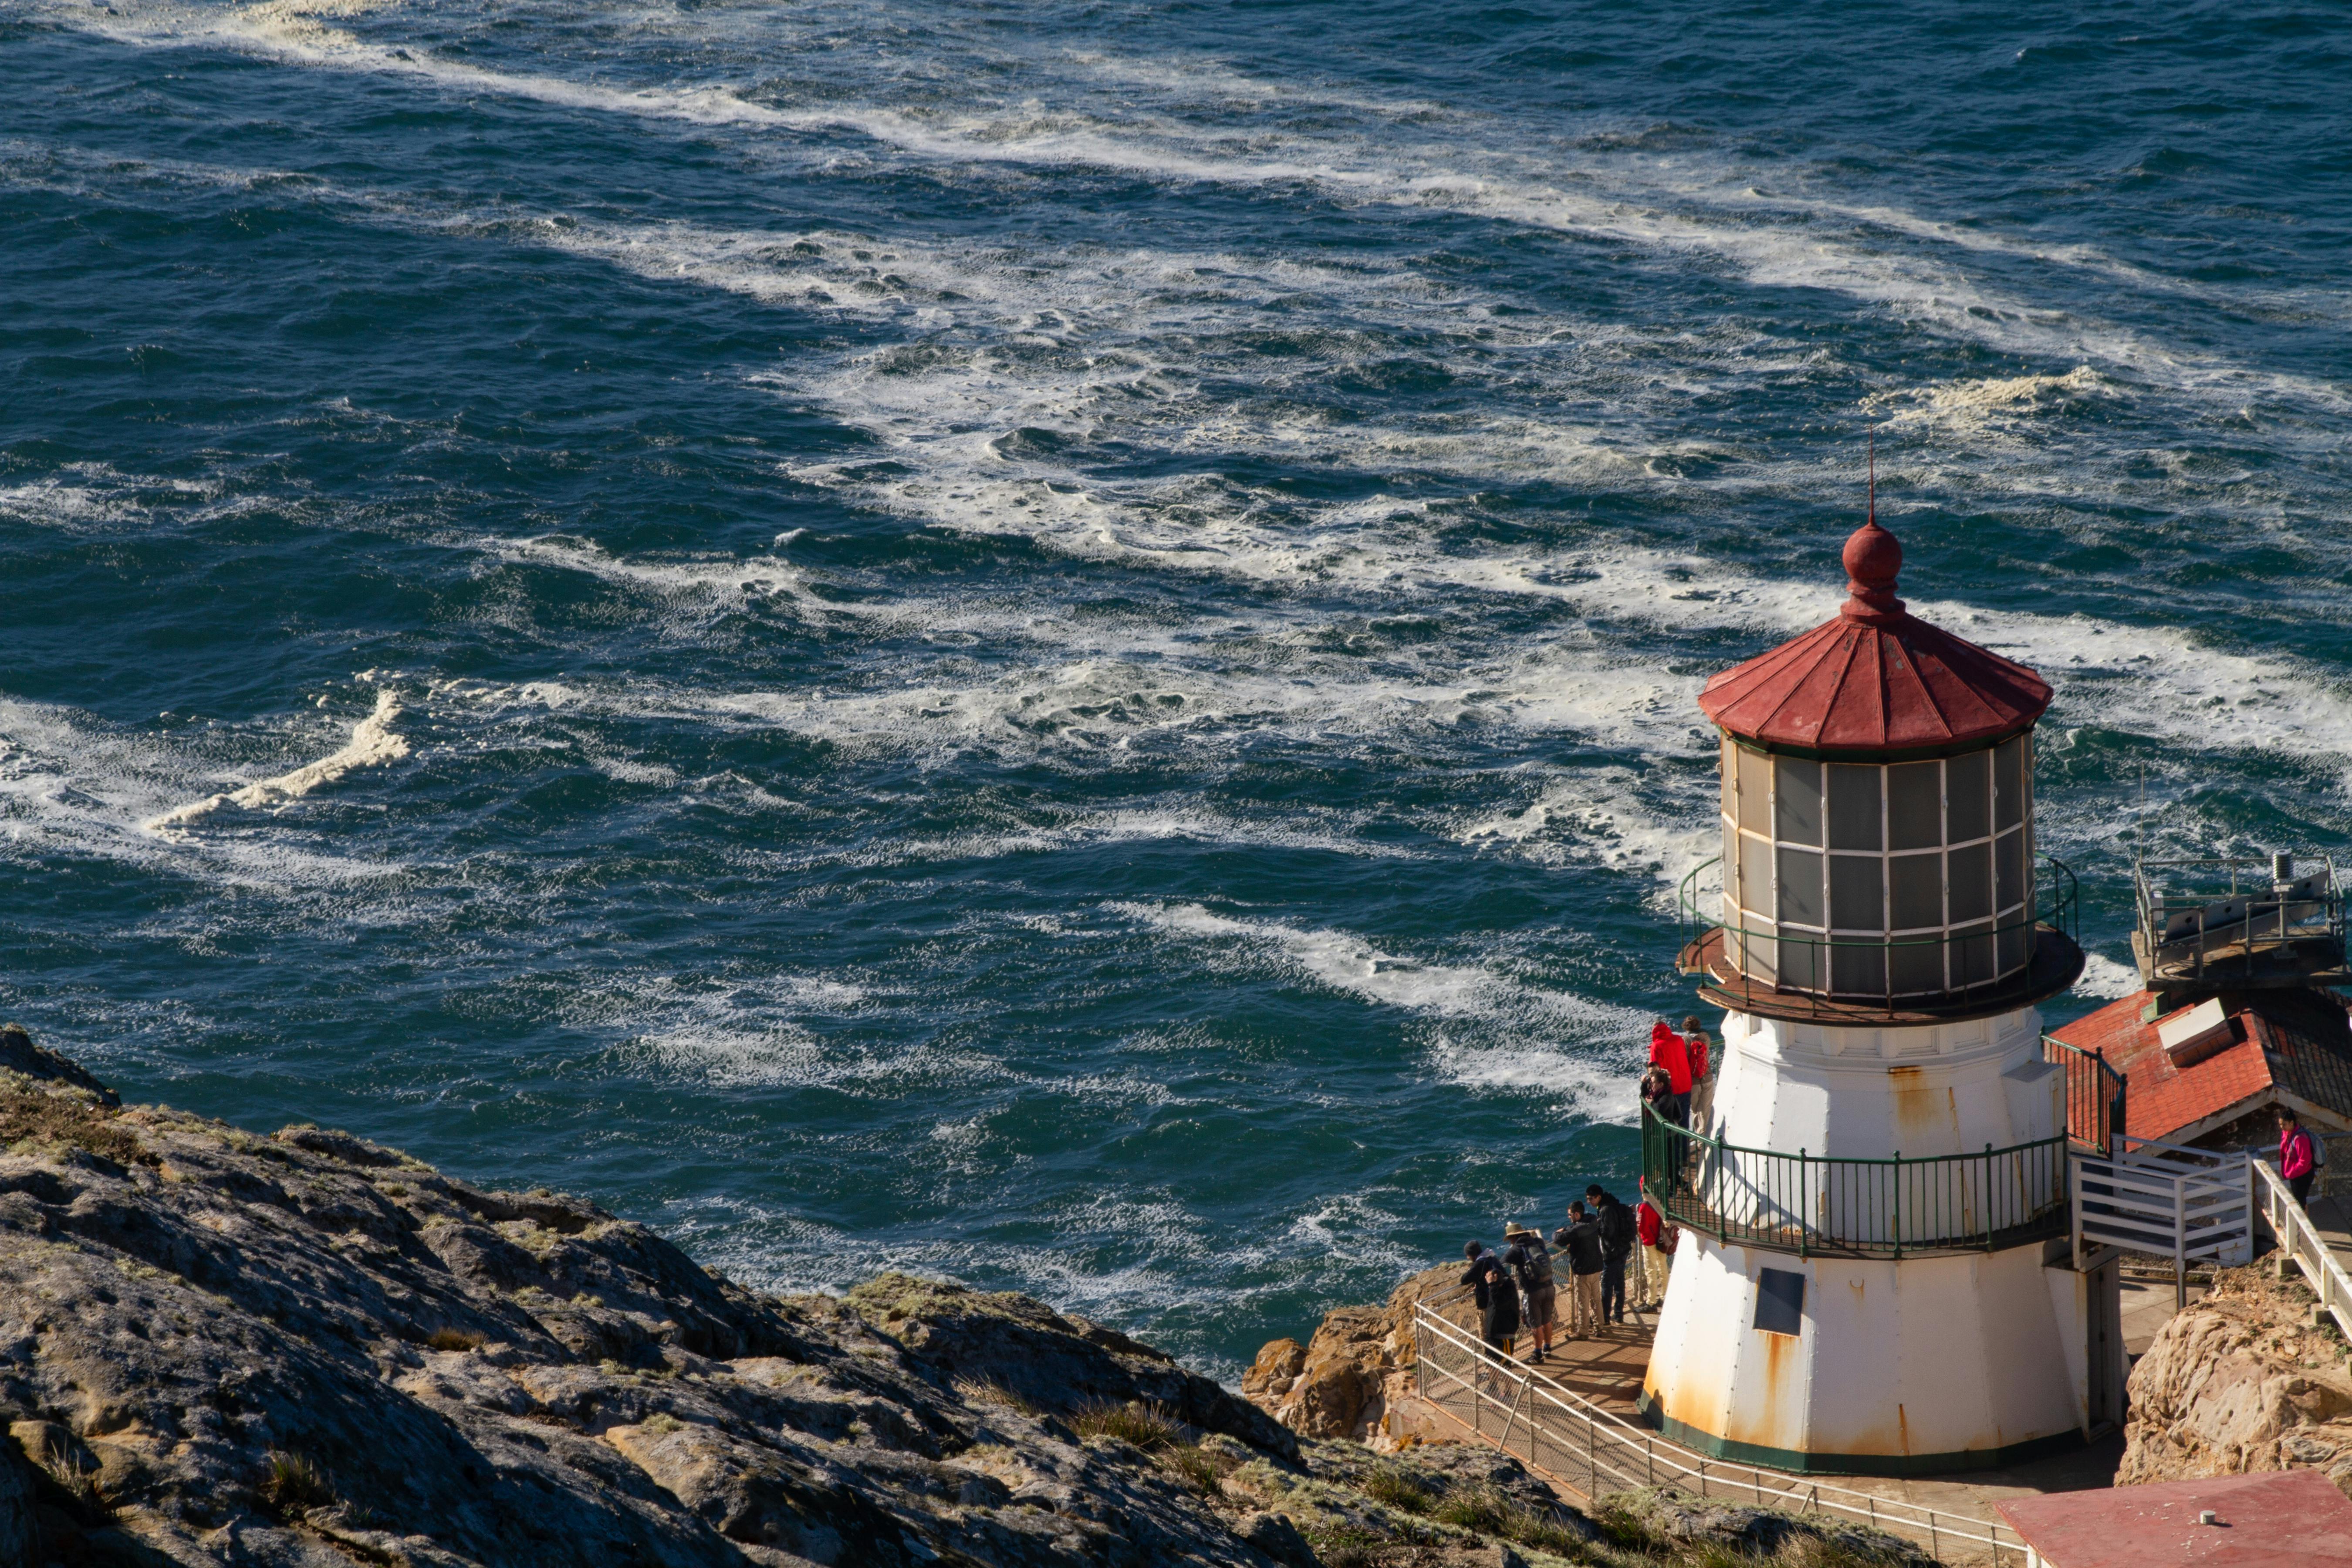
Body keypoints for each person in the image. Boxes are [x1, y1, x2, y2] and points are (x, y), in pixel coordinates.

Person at [1460, 1240, 1520, 1381]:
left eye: (1468, 1256)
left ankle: (1495, 1372)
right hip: (1495, 1305)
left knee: (1488, 1340)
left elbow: (1464, 1280)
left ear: (1472, 1255)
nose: (1468, 1258)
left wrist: (1476, 1278)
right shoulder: (1492, 1259)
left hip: (1486, 1306)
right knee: (1494, 1343)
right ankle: (1498, 1369)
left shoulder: (1479, 1263)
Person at [1502, 1223, 1557, 1364]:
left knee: (1536, 1324)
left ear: (1513, 1238)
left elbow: (1502, 1263)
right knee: (1547, 1320)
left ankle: (1537, 1355)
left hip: (1533, 1291)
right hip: (1550, 1286)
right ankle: (1548, 1348)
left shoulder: (1516, 1249)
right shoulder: (1537, 1242)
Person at [1554, 1202, 1605, 1339]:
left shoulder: (1577, 1230)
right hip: (1596, 1267)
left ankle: (1583, 1332)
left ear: (1577, 1214)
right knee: (1596, 1299)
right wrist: (1568, 1227)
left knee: (1583, 1302)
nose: (1569, 1218)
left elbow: (1561, 1239)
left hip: (1583, 1270)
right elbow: (1574, 1227)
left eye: (1570, 1215)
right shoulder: (1593, 1221)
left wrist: (1556, 1233)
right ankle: (1599, 1327)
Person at [1588, 1184, 1635, 1325]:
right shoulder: (1613, 1204)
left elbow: (1608, 1232)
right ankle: (1618, 1315)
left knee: (1607, 1285)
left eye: (1591, 1199)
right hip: (1623, 1249)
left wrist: (1597, 1229)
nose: (1589, 1202)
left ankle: (1604, 1317)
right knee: (1619, 1283)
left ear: (1599, 1197)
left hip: (1613, 1252)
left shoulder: (1605, 1210)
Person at [1635, 1179, 1673, 1307]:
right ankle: (1666, 1296)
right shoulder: (1660, 1203)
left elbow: (1640, 1227)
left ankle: (1651, 1301)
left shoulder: (1644, 1206)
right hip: (1661, 1241)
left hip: (1649, 1242)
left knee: (1651, 1271)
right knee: (1663, 1268)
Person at [1649, 1020, 1693, 1127]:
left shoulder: (1656, 1046)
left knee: (1671, 1123)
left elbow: (1655, 1071)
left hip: (1672, 1088)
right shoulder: (1679, 1040)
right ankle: (1685, 1144)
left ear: (1654, 1031)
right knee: (1684, 1121)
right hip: (1686, 1084)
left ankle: (1675, 1144)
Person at [2281, 1106, 2319, 1208]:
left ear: (2292, 1123)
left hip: (2301, 1175)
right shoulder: (2292, 1135)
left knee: (2300, 1204)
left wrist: (2292, 1173)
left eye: (2284, 1124)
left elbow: (2305, 1160)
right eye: (2281, 1125)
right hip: (2299, 1174)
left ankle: (2302, 1224)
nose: (2282, 1127)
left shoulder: (2300, 1138)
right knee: (2301, 1202)